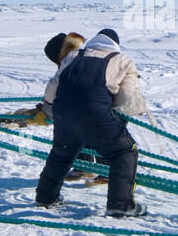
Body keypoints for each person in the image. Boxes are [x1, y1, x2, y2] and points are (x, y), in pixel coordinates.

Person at [34, 28, 149, 216]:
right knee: (124, 151)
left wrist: (47, 108)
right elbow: (127, 98)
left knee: (61, 154)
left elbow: (53, 86)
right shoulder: (122, 61)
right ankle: (120, 204)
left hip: (63, 112)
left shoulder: (74, 56)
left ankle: (45, 197)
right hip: (95, 112)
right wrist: (110, 108)